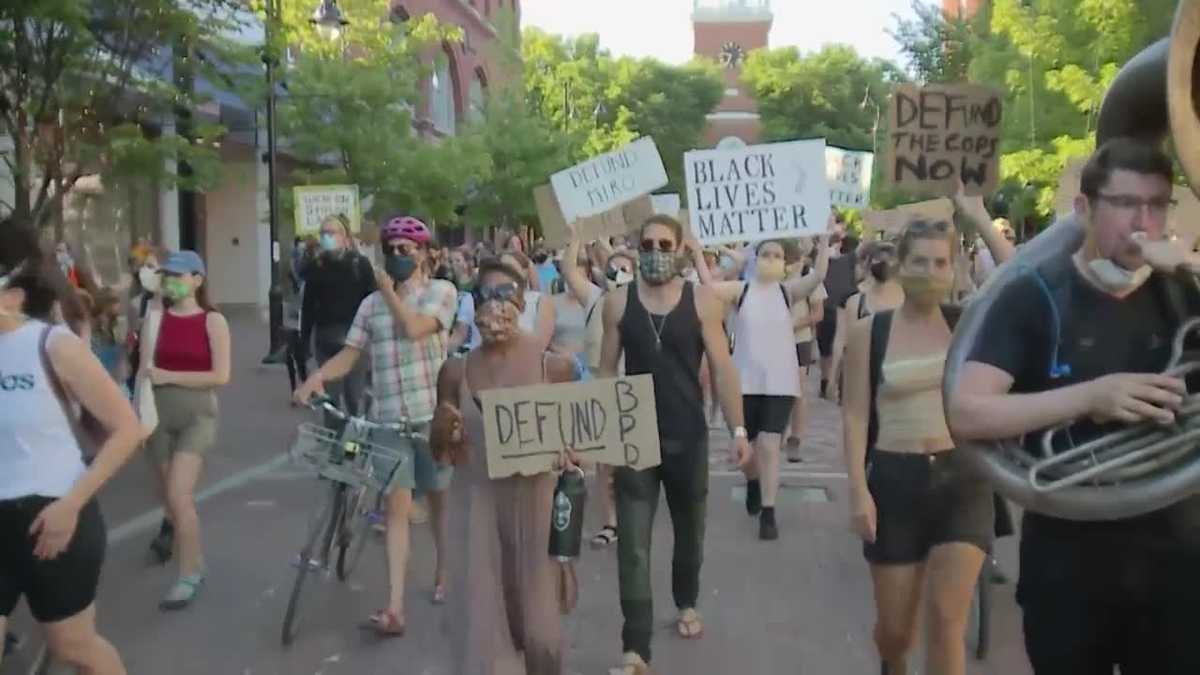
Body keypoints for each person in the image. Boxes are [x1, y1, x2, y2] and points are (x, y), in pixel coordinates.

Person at [948, 138, 1200, 674]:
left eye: (1158, 206)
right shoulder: (1032, 295)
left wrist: (1195, 270)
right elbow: (967, 411)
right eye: (1127, 204)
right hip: (1069, 557)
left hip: (1179, 554)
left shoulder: (1184, 291)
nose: (1144, 223)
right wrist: (1092, 396)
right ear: (1084, 208)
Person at [842, 190, 1013, 675]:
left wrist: (978, 214)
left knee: (946, 622)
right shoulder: (868, 333)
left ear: (953, 268)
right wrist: (859, 490)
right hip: (895, 480)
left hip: (963, 480)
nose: (930, 272)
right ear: (899, 263)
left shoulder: (970, 325)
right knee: (895, 635)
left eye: (940, 263)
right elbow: (855, 415)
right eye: (919, 261)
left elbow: (1017, 277)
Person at [597, 214, 753, 675]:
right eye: (647, 243)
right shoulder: (617, 304)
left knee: (690, 532)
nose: (655, 250)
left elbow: (724, 370)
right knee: (634, 544)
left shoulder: (703, 301)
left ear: (681, 247)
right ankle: (636, 648)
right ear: (635, 247)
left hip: (688, 434)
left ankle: (686, 599)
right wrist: (600, 434)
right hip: (634, 436)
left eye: (665, 242)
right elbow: (606, 370)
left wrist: (739, 431)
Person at [294, 216, 459, 635]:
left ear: (424, 254)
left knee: (438, 500)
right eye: (392, 249)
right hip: (388, 419)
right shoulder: (369, 306)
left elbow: (415, 328)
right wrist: (317, 377)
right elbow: (351, 354)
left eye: (407, 249)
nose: (399, 256)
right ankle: (394, 606)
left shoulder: (441, 293)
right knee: (396, 509)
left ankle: (443, 569)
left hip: (431, 419)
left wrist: (387, 290)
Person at [0, 220, 145, 674]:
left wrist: (71, 505)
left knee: (73, 648)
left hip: (54, 515)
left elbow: (128, 430)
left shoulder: (50, 345)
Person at [430, 259, 578, 675]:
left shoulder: (555, 367)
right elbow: (438, 450)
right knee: (486, 629)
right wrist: (444, 429)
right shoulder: (455, 370)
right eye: (485, 295)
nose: (495, 305)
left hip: (536, 502)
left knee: (542, 635)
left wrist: (570, 452)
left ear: (522, 300)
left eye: (505, 294)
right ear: (472, 306)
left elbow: (580, 442)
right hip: (479, 503)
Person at [706, 235, 831, 540]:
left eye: (777, 255)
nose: (772, 259)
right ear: (754, 259)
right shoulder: (742, 290)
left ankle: (769, 511)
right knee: (746, 450)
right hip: (744, 382)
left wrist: (825, 240)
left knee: (770, 444)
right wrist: (710, 256)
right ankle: (752, 482)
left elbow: (819, 275)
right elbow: (707, 288)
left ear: (785, 263)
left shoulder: (788, 292)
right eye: (766, 254)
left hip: (780, 381)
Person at [140, 250, 231, 610]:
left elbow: (221, 376)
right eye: (168, 275)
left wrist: (170, 376)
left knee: (180, 494)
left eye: (180, 275)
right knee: (168, 498)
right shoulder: (155, 317)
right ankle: (196, 560)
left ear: (197, 279)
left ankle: (187, 574)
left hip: (198, 416)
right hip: (157, 416)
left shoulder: (212, 321)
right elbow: (143, 368)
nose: (172, 281)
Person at [300, 214, 375, 423]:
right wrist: (304, 341)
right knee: (329, 397)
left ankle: (358, 439)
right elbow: (308, 307)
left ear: (344, 237)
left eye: (331, 233)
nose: (326, 237)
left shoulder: (359, 264)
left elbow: (372, 300)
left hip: (355, 338)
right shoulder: (317, 266)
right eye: (323, 233)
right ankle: (334, 441)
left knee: (355, 395)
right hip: (326, 336)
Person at [828, 241, 905, 401]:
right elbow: (841, 340)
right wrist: (833, 377)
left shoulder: (907, 300)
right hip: (860, 375)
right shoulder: (854, 301)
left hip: (893, 375)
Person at [786, 241, 828, 462]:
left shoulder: (808, 274)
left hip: (798, 340)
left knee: (798, 391)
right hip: (771, 342)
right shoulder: (769, 272)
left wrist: (794, 324)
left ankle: (795, 439)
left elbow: (818, 313)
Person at [817, 229, 860, 399]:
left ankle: (825, 381)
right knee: (843, 346)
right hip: (844, 304)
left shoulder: (826, 261)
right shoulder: (852, 262)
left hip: (827, 307)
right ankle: (839, 384)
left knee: (826, 349)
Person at [500, 250, 556, 349]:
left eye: (510, 268)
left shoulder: (540, 301)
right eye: (502, 269)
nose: (506, 273)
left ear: (525, 271)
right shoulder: (494, 300)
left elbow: (540, 344)